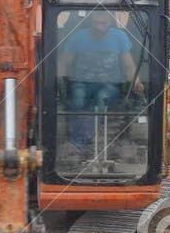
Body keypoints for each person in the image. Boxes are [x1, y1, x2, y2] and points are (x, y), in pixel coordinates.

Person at [58, 11, 143, 152]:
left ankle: (90, 142)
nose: (99, 27)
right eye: (96, 23)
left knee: (101, 99)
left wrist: (136, 81)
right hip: (81, 82)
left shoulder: (119, 37)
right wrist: (58, 84)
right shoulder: (78, 38)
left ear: (110, 23)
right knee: (78, 101)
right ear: (91, 22)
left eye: (103, 24)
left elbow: (128, 65)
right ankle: (77, 143)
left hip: (109, 84)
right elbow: (63, 63)